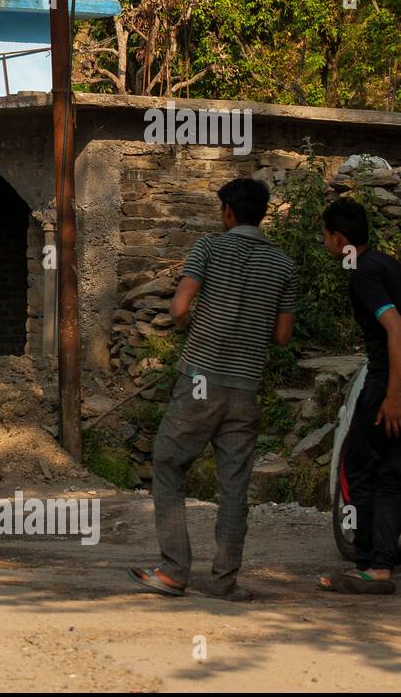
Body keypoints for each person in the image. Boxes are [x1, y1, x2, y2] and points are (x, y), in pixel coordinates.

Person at [130, 177, 298, 601]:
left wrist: (193, 328)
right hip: (245, 387)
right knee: (235, 486)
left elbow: (180, 307)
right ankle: (225, 581)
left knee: (168, 463)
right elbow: (281, 335)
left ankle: (173, 570)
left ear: (227, 211)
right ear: (261, 213)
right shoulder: (283, 265)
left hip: (201, 380)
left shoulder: (208, 248)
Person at [317, 198, 401, 595]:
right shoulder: (386, 264)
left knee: (357, 464)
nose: (325, 244)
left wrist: (393, 395)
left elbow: (396, 329)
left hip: (386, 379)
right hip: (392, 378)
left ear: (340, 239)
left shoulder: (363, 272)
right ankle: (382, 566)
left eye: (325, 237)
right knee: (389, 472)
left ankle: (366, 561)